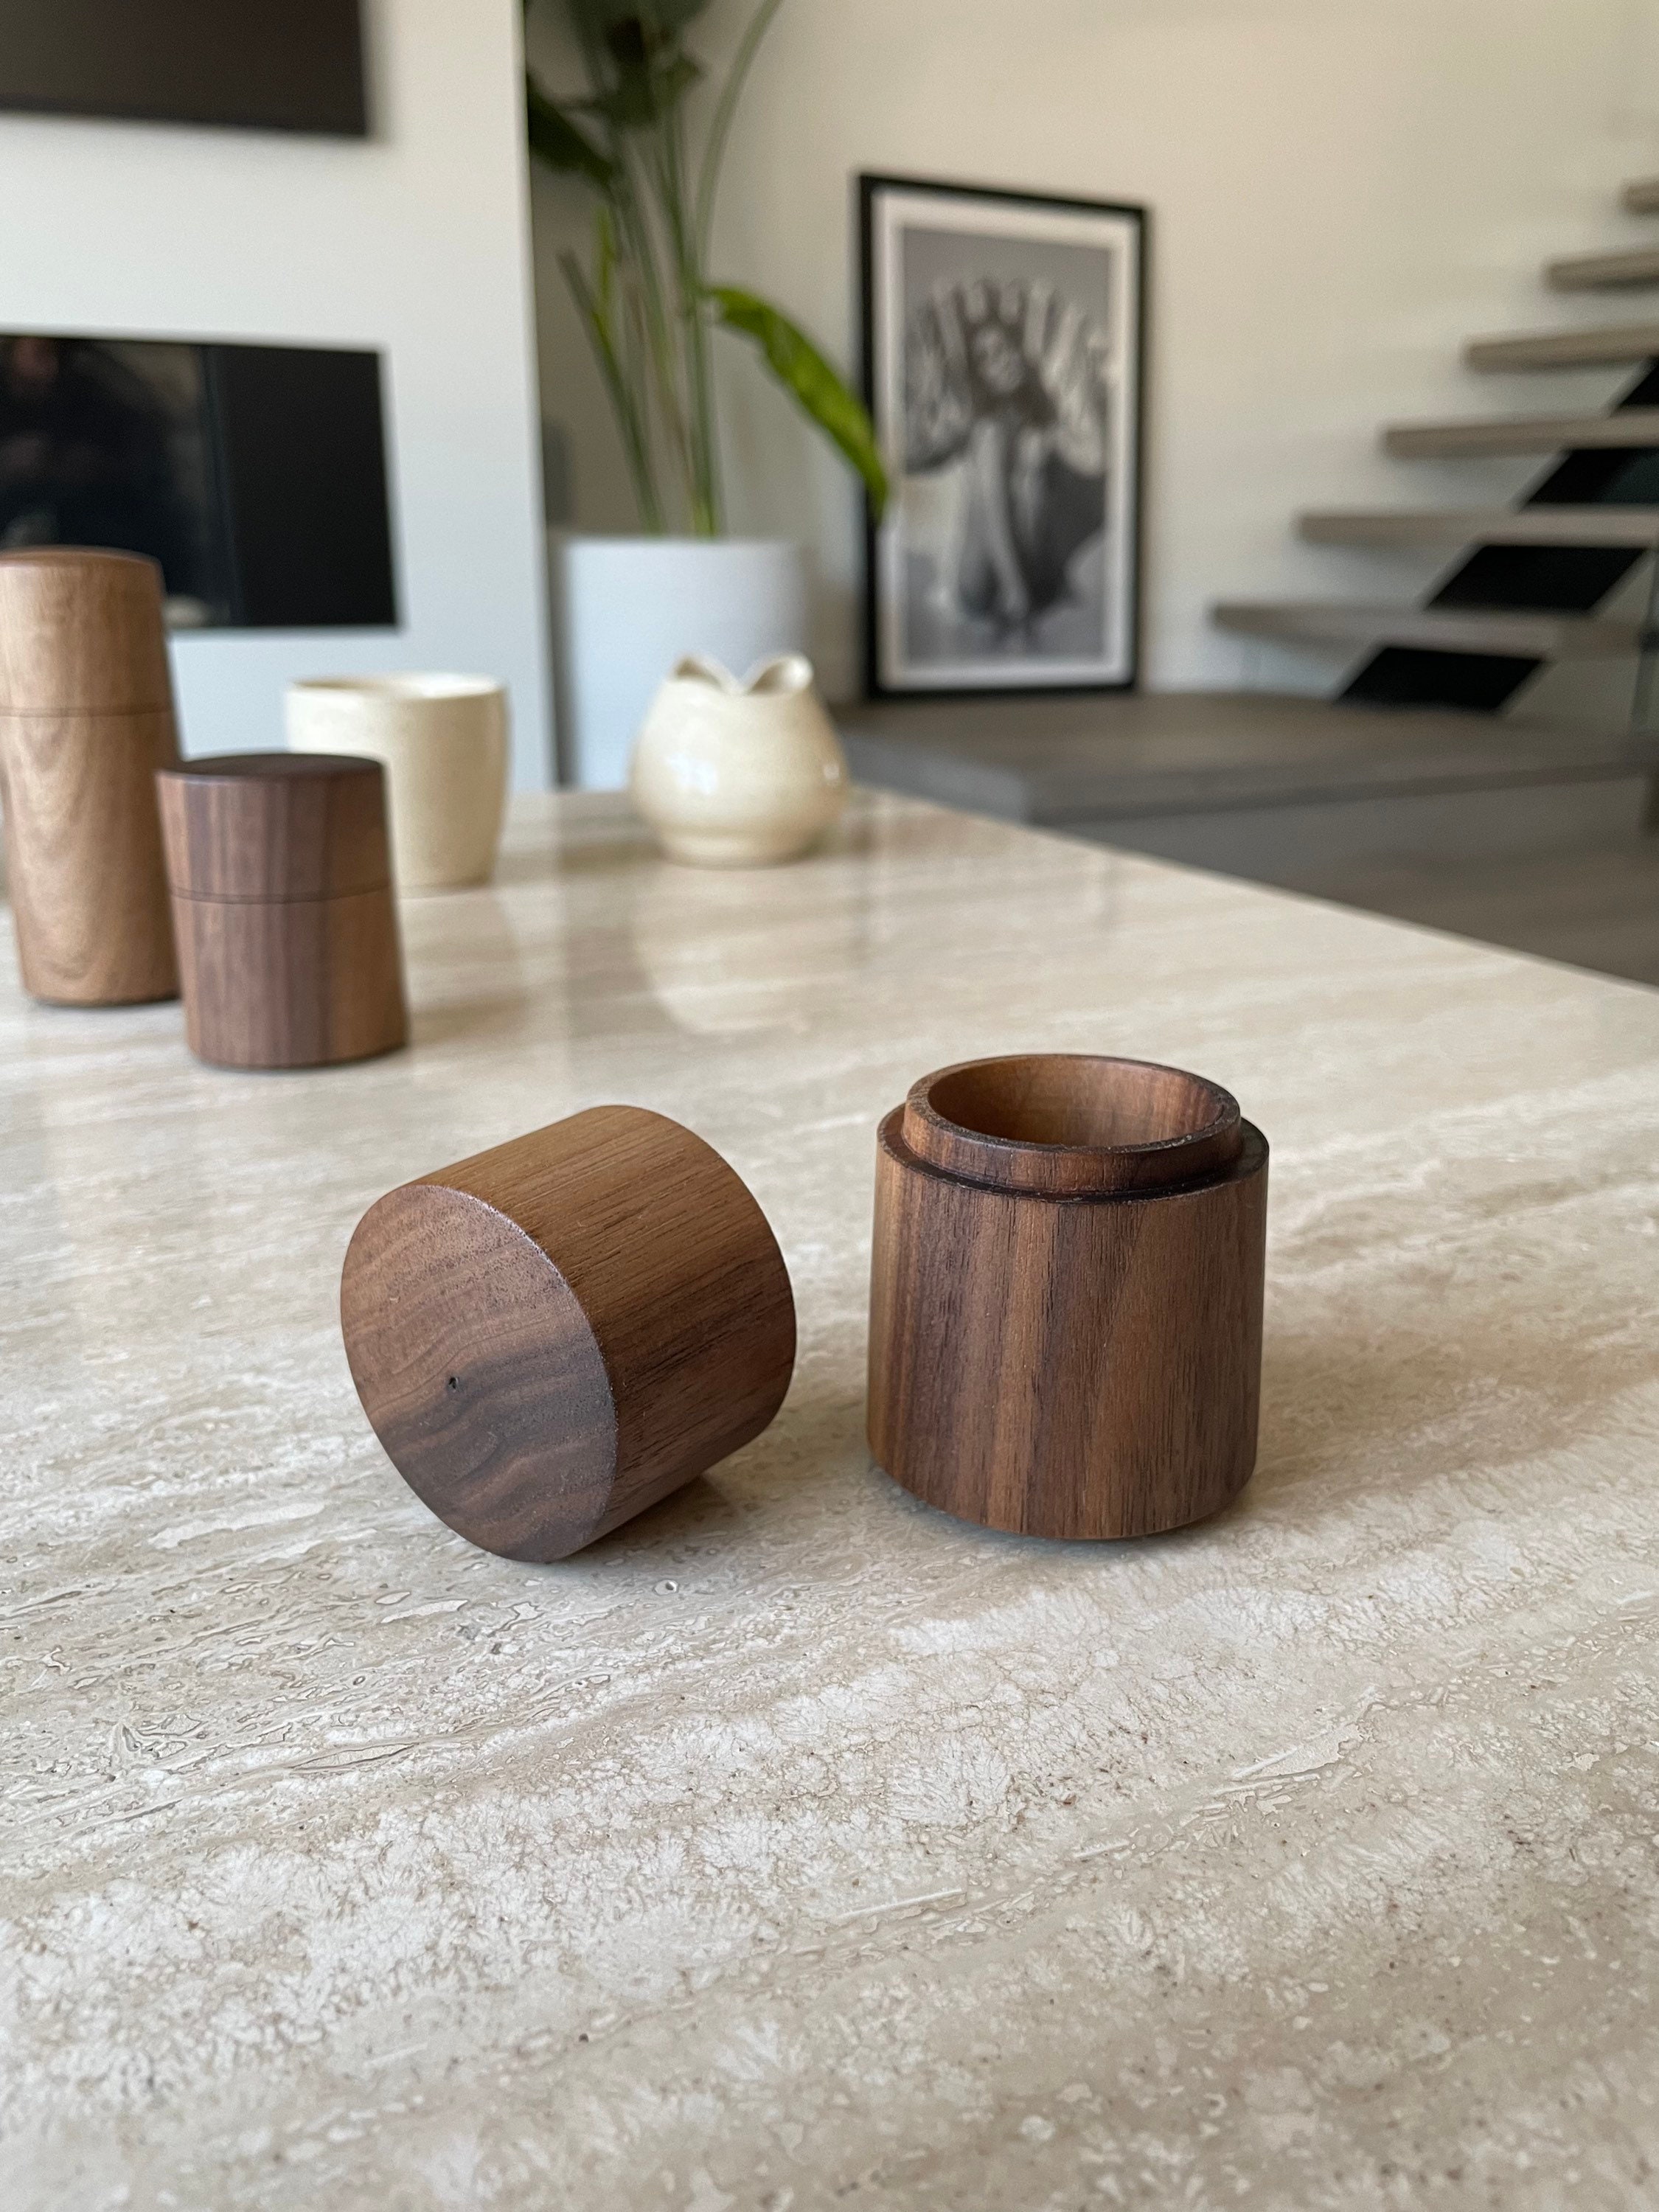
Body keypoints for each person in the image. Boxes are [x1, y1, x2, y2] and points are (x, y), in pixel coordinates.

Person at [904, 276, 1108, 643]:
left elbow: (1094, 461)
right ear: (978, 373)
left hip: (1033, 569)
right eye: (987, 358)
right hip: (985, 578)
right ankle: (1020, 590)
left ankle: (1033, 586)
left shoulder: (1040, 420)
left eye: (1007, 349)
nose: (1002, 361)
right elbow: (995, 505)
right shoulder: (986, 428)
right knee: (998, 451)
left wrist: (1053, 434)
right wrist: (1017, 589)